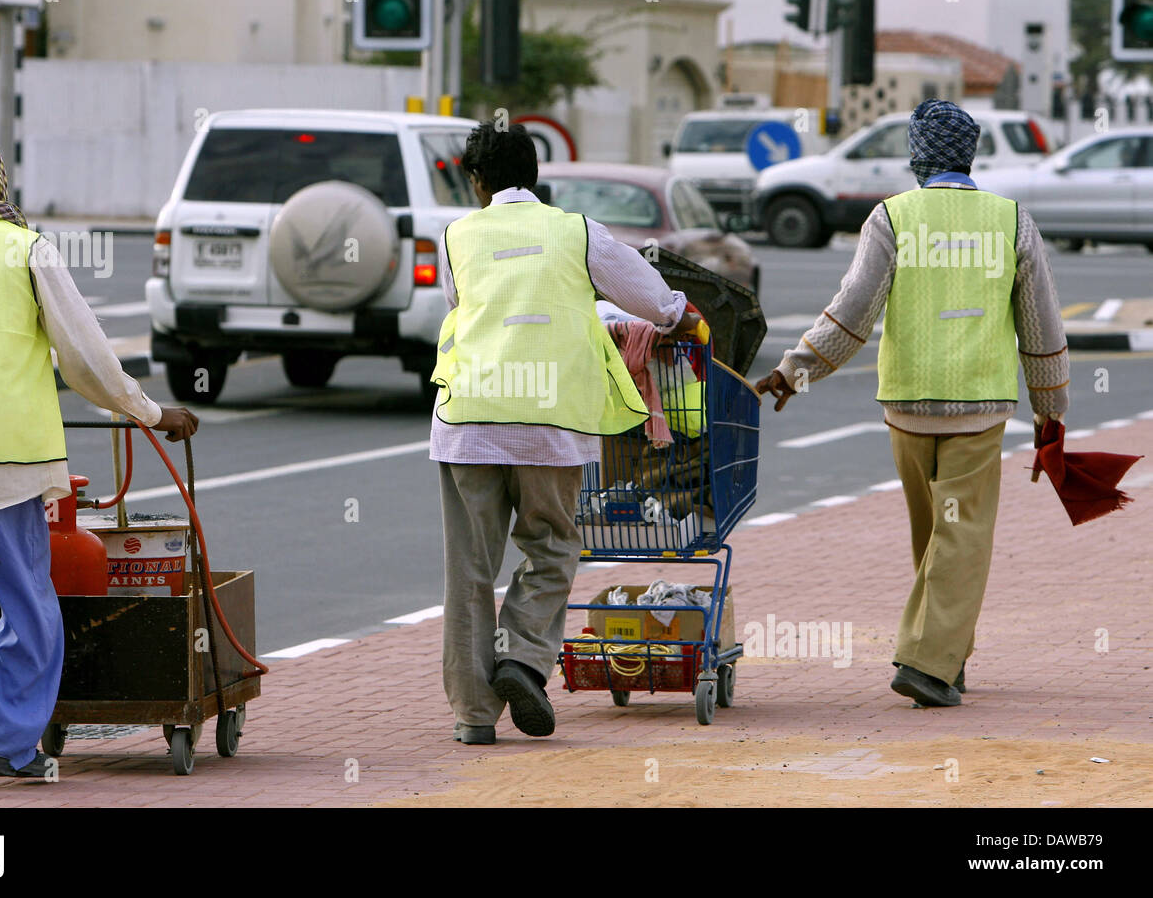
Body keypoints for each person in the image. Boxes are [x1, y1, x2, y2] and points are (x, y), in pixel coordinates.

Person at [0, 132, 199, 797]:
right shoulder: (26, 249)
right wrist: (150, 411)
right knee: (28, 606)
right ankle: (9, 745)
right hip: (12, 465)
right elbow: (84, 356)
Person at [753, 99, 1069, 707]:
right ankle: (928, 661)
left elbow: (853, 311)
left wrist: (797, 372)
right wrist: (1050, 408)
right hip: (979, 403)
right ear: (969, 153)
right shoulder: (1011, 221)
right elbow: (1040, 324)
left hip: (906, 403)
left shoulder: (892, 218)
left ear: (917, 153)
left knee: (933, 533)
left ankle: (947, 655)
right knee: (961, 534)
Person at [430, 122, 700, 744]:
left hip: (468, 419)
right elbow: (653, 298)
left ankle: (473, 716)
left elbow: (458, 308)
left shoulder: (456, 237)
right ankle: (523, 658)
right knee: (551, 546)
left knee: (469, 569)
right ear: (537, 177)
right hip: (551, 423)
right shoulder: (577, 231)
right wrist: (681, 317)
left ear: (477, 182)